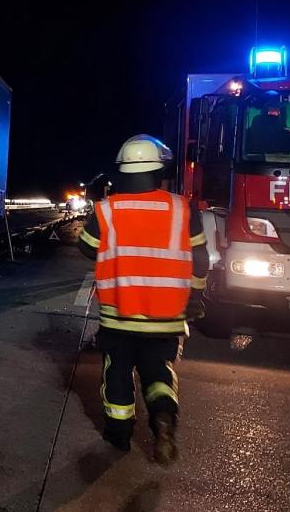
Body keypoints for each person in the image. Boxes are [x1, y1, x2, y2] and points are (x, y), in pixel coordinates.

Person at [76, 135, 209, 464]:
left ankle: (119, 436)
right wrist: (196, 294)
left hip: (119, 315)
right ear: (160, 170)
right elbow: (201, 257)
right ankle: (163, 416)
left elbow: (87, 247)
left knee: (117, 373)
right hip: (166, 318)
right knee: (158, 372)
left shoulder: (107, 210)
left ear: (122, 172)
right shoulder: (182, 208)